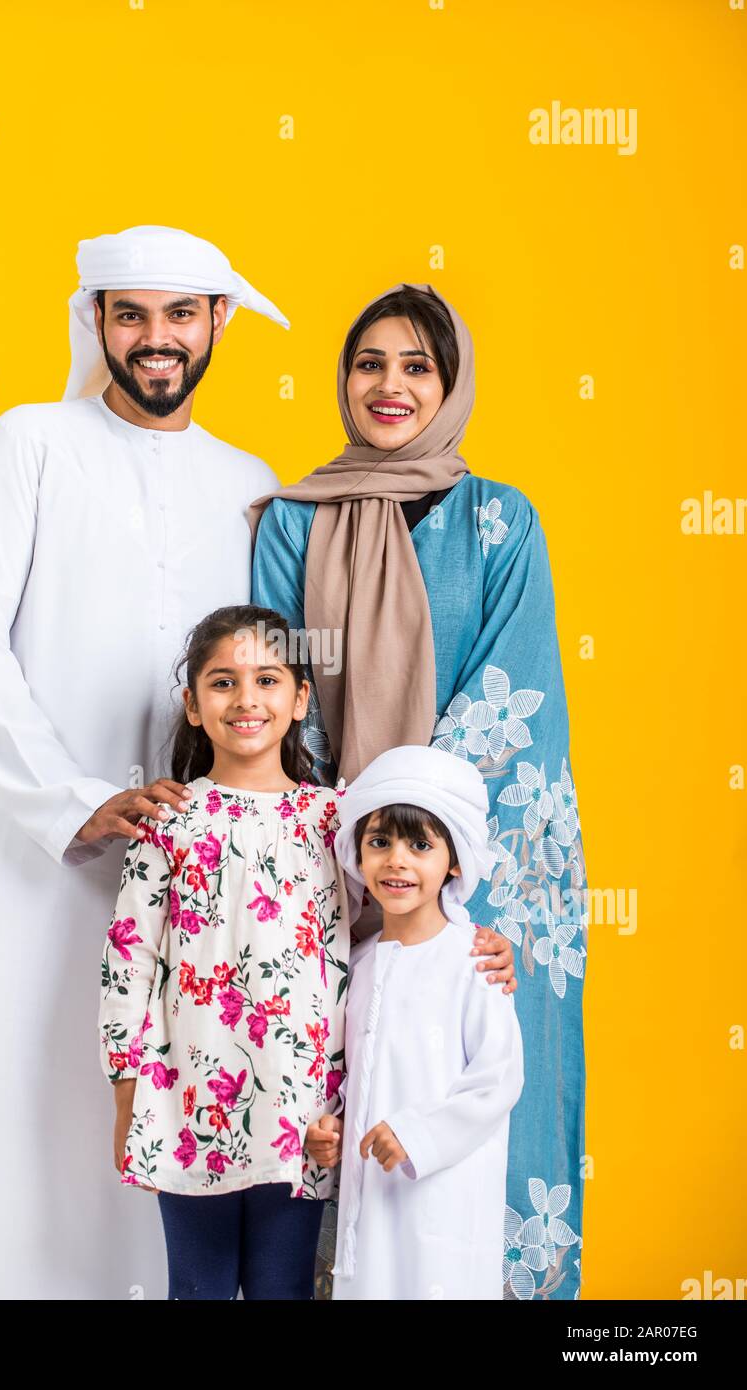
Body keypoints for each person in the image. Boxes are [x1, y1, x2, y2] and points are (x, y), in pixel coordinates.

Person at [0, 225, 291, 1300]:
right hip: (31, 857)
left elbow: (267, 670)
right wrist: (74, 801)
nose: (156, 338)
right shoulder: (27, 442)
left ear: (219, 323)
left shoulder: (248, 481)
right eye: (131, 314)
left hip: (192, 878)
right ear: (98, 324)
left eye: (181, 314)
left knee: (169, 1096)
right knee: (19, 1094)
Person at [249, 283, 585, 1299]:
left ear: (450, 384)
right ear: (343, 380)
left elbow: (516, 698)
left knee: (479, 1079)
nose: (389, 386)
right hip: (331, 858)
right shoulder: (291, 522)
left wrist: (420, 843)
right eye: (368, 364)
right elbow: (279, 690)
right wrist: (354, 829)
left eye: (416, 366)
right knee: (338, 1101)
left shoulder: (502, 521)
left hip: (464, 866)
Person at [98, 605, 350, 1299]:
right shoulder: (168, 819)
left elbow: (388, 931)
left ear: (299, 699)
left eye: (268, 679)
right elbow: (130, 959)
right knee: (198, 1290)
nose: (246, 700)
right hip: (185, 1104)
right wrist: (128, 1092)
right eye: (222, 682)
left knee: (283, 1288)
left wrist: (478, 943)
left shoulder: (334, 821)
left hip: (303, 1109)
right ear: (192, 703)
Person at [308, 744, 524, 1300]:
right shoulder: (358, 962)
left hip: (441, 1195)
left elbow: (498, 1080)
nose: (396, 861)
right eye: (379, 842)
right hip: (367, 1195)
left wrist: (417, 1134)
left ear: (453, 860)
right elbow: (352, 1069)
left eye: (419, 845)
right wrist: (334, 1123)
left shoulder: (474, 959)